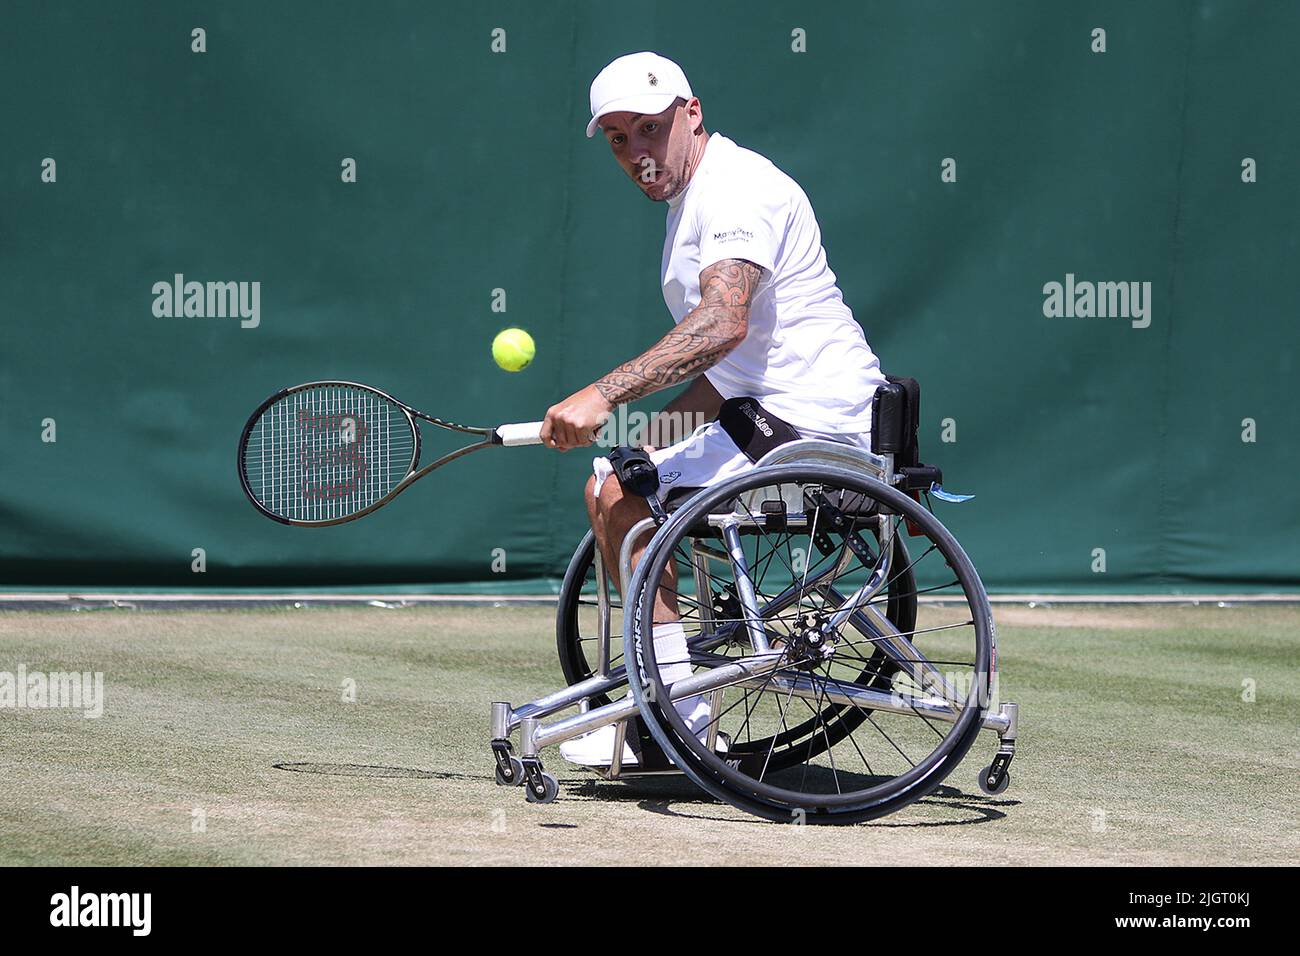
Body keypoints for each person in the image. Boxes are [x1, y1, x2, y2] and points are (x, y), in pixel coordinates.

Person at [539, 51, 887, 766]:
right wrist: (641, 442)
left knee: (619, 491)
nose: (637, 151)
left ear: (691, 113)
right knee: (614, 480)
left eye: (649, 127)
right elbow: (729, 376)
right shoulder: (694, 199)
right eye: (617, 139)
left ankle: (676, 724)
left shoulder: (734, 189)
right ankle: (665, 708)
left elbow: (722, 325)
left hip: (813, 428)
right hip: (769, 416)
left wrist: (605, 396)